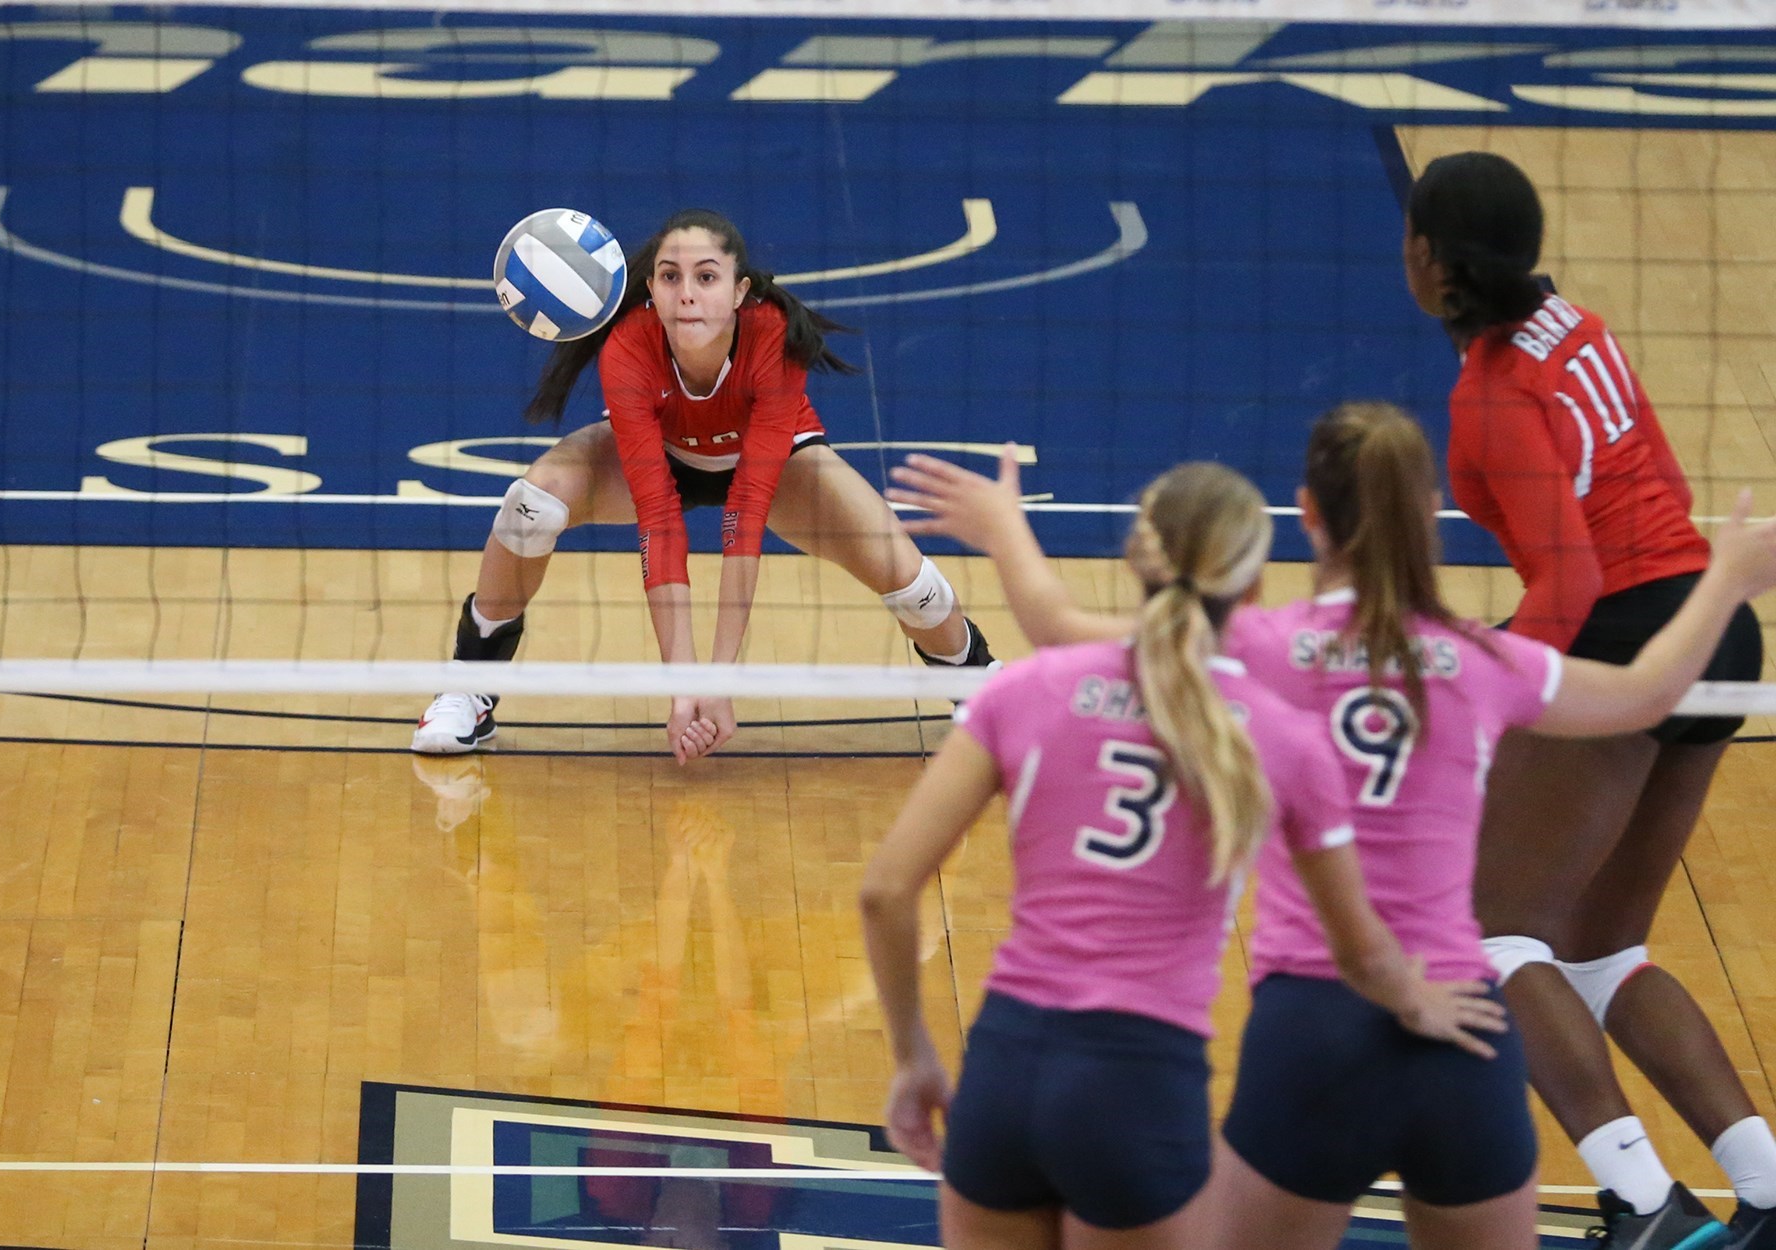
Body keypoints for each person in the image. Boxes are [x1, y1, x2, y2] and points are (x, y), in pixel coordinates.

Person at [884, 402, 1776, 1250]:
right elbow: (1648, 692)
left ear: (1306, 513)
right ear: (1429, 512)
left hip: (1312, 1025)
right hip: (1460, 1024)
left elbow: (1062, 630)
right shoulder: (1485, 659)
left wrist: (1005, 531)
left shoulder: (1259, 648)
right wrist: (1727, 581)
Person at [860, 460, 1504, 1250]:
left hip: (1005, 1070)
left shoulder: (1024, 690)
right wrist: (1416, 1000)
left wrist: (913, 1056)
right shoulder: (1284, 738)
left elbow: (884, 891)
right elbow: (1361, 951)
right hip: (1138, 1087)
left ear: (1136, 559)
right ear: (1255, 584)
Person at [1408, 150, 1772, 1250]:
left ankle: (1642, 1202)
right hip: (1712, 626)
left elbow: (1567, 582)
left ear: (1426, 258)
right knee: (1600, 946)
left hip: (1620, 638)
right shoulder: (1573, 325)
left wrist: (1486, 703)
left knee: (1481, 933)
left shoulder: (1490, 396)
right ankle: (1765, 1189)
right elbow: (1647, 497)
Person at [411, 208, 993, 762]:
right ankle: (469, 687)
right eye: (671, 277)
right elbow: (658, 517)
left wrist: (720, 679)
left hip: (777, 466)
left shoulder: (773, 336)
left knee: (911, 581)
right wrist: (684, 684)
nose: (687, 293)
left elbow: (747, 513)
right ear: (651, 289)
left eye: (706, 277)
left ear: (740, 292)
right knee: (531, 506)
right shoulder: (629, 345)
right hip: (665, 457)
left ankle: (981, 686)